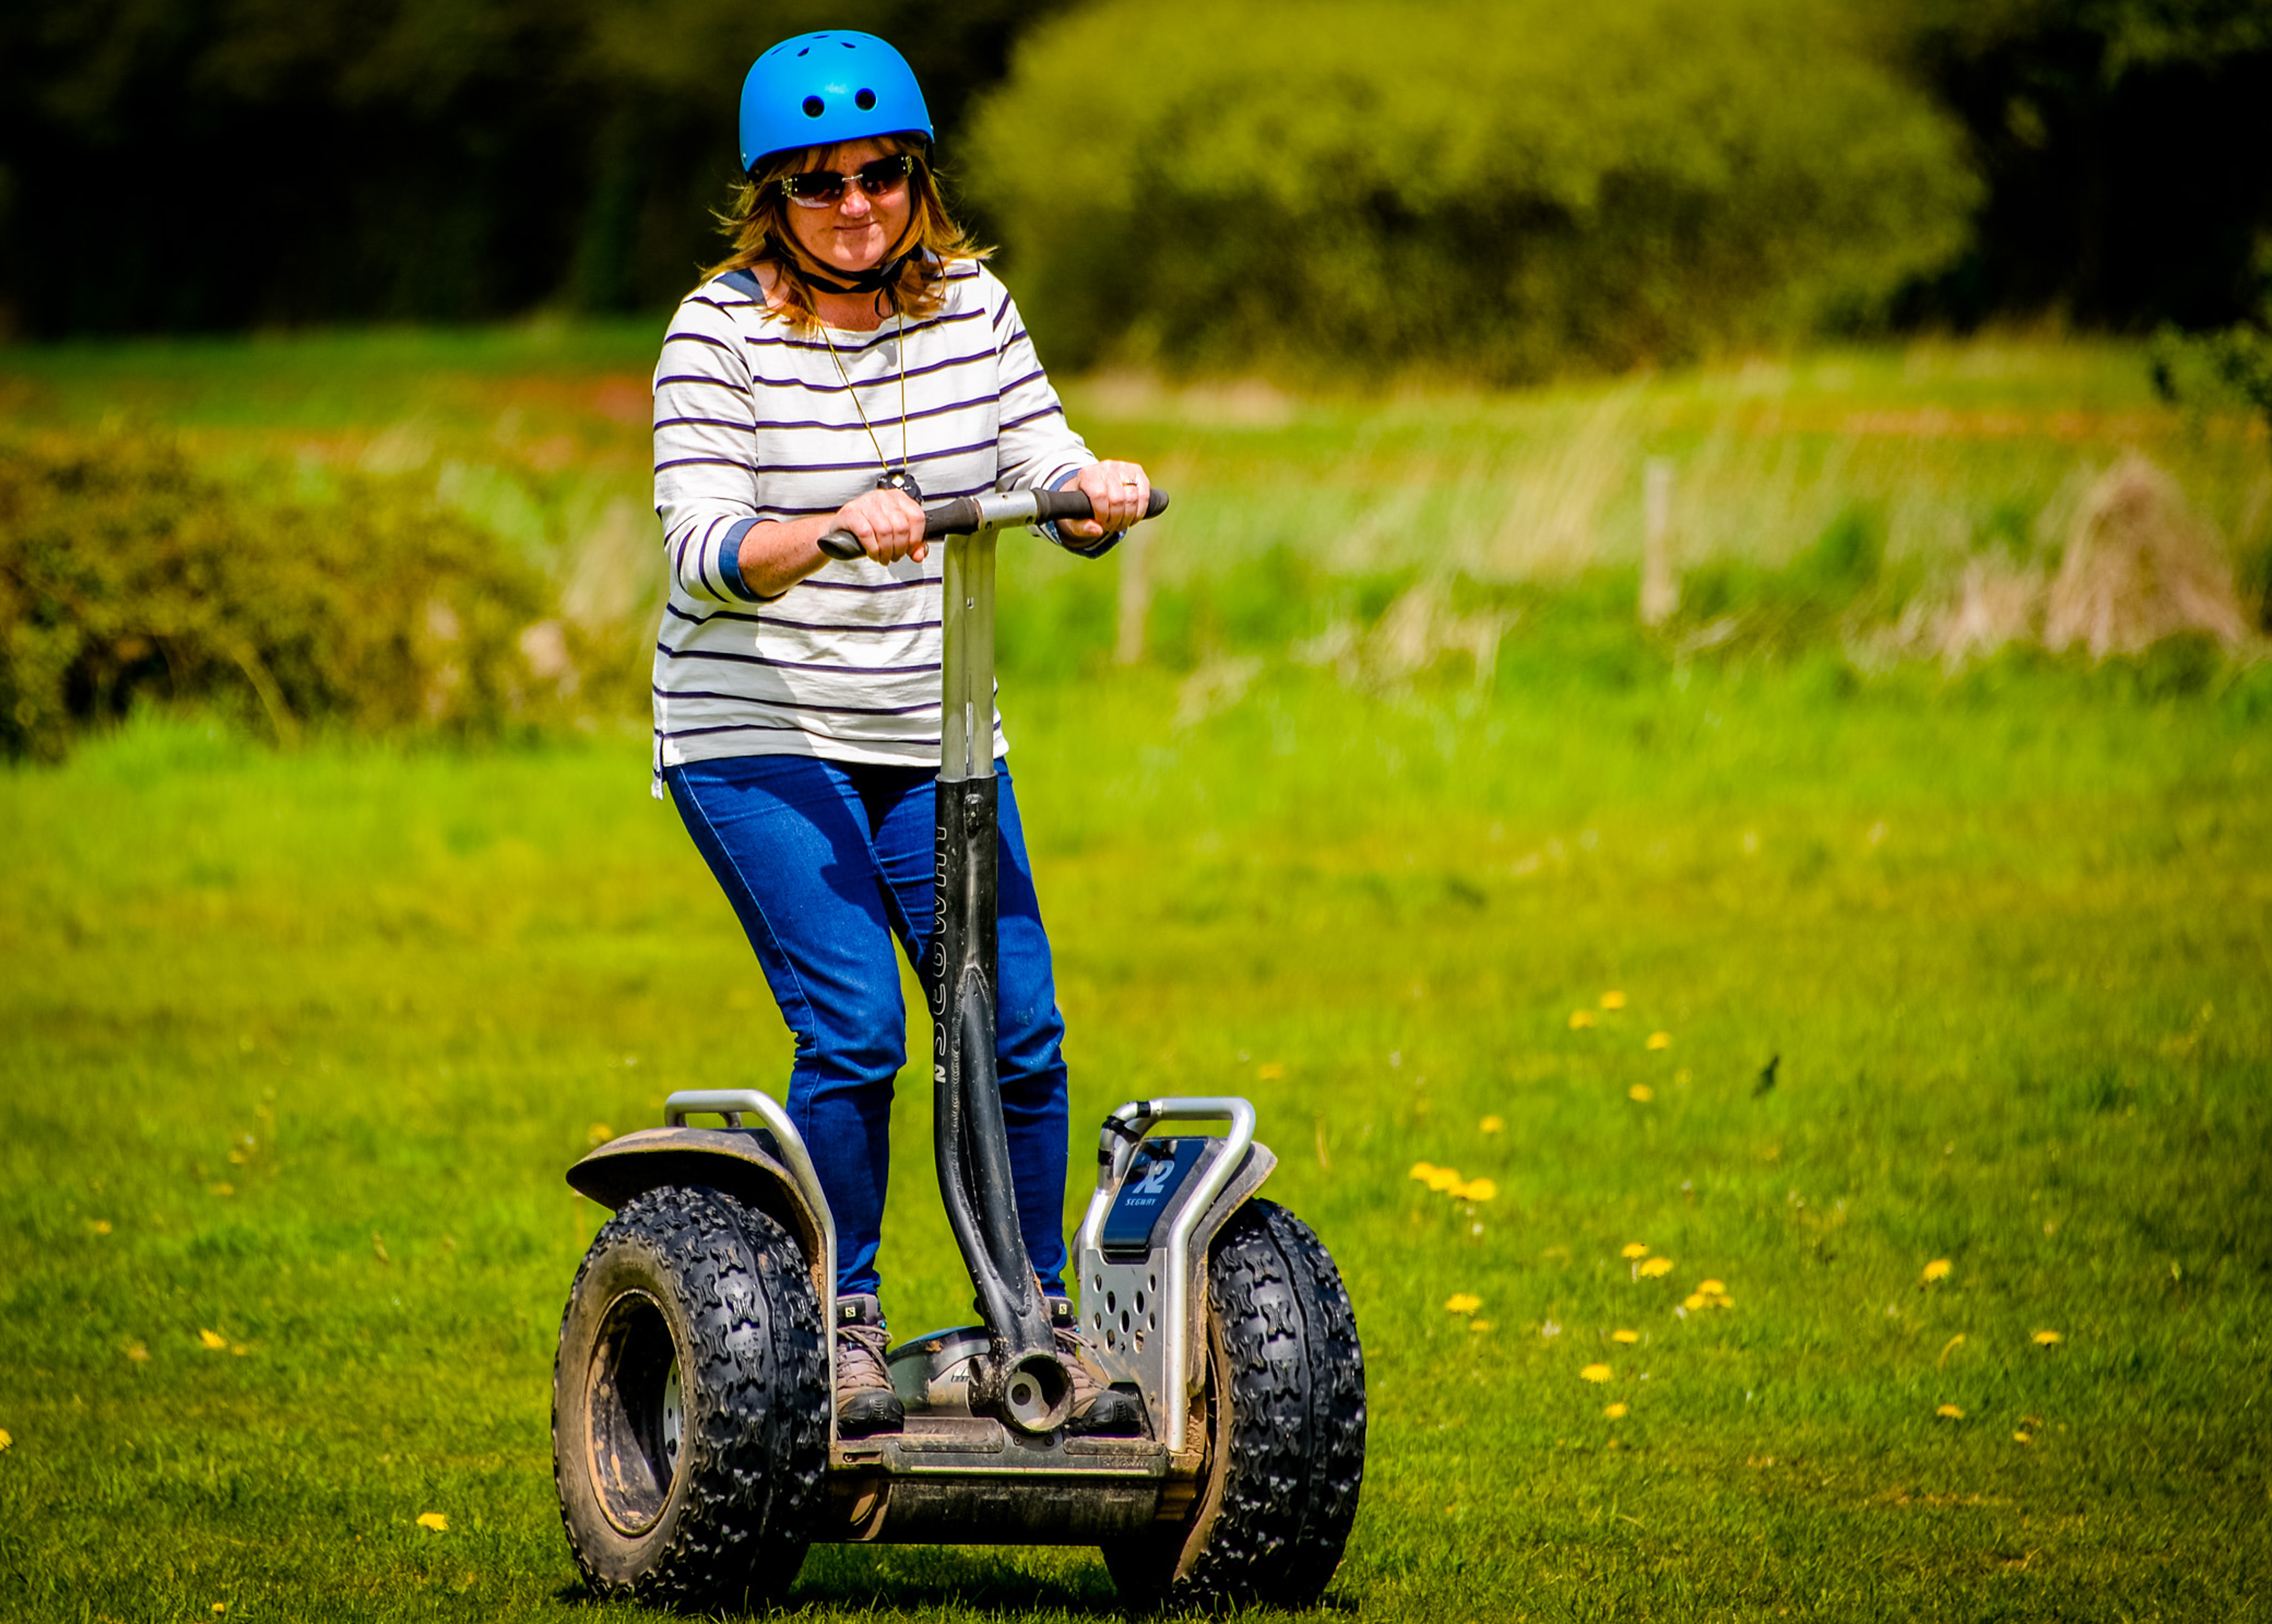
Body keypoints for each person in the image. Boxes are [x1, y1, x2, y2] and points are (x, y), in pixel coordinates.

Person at [649, 30, 1152, 1438]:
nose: (854, 205)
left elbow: (1038, 454)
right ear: (773, 198)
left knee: (1018, 1028)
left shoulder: (972, 306)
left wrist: (1092, 492)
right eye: (819, 183)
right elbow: (702, 546)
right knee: (859, 1025)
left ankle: (1032, 1325)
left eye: (879, 175)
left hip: (933, 732)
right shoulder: (717, 331)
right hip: (756, 730)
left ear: (917, 180)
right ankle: (840, 1320)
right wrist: (826, 529)